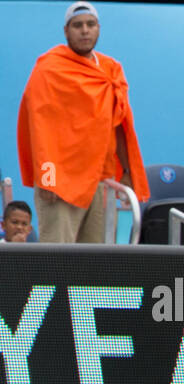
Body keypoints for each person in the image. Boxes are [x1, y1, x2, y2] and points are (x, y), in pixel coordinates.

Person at [17, 1, 149, 244]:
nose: (85, 30)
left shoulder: (110, 69)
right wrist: (48, 179)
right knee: (57, 258)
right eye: (77, 25)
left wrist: (127, 172)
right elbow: (40, 128)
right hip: (61, 183)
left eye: (90, 24)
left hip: (102, 181)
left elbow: (119, 125)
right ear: (66, 31)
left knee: (94, 265)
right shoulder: (49, 69)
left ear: (99, 28)